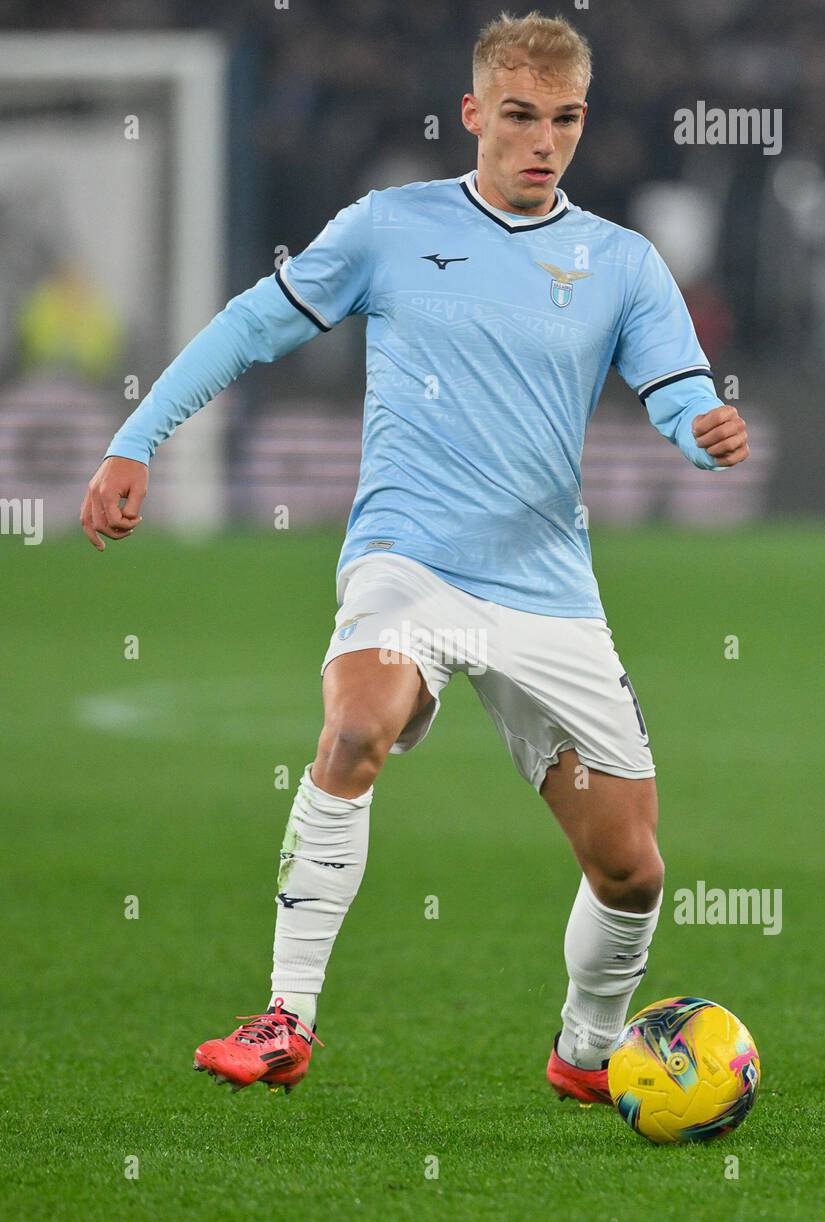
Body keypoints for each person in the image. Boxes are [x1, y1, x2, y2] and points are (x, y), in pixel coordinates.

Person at [80, 11, 748, 1103]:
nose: (543, 141)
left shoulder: (619, 262)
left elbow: (675, 389)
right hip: (410, 562)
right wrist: (133, 439)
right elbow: (253, 325)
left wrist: (700, 430)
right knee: (354, 725)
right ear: (475, 113)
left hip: (545, 588)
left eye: (565, 119)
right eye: (520, 116)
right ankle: (285, 1016)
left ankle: (584, 1054)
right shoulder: (391, 227)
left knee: (629, 867)